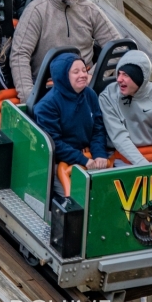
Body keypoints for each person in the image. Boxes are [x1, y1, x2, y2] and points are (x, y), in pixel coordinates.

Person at [11, 0, 120, 103]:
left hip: (88, 88)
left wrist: (94, 76)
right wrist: (30, 99)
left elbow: (119, 48)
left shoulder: (89, 9)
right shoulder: (36, 12)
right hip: (50, 91)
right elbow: (19, 55)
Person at [33, 52, 109, 198]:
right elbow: (55, 144)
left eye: (84, 70)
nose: (82, 75)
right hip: (62, 161)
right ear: (63, 76)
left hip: (89, 155)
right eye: (76, 72)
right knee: (77, 197)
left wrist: (99, 154)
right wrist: (83, 160)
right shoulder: (47, 106)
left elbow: (98, 129)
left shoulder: (90, 94)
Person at [100, 50, 152, 167]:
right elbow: (120, 138)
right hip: (120, 157)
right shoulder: (108, 96)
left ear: (138, 77)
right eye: (119, 73)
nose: (119, 79)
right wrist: (145, 167)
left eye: (125, 75)